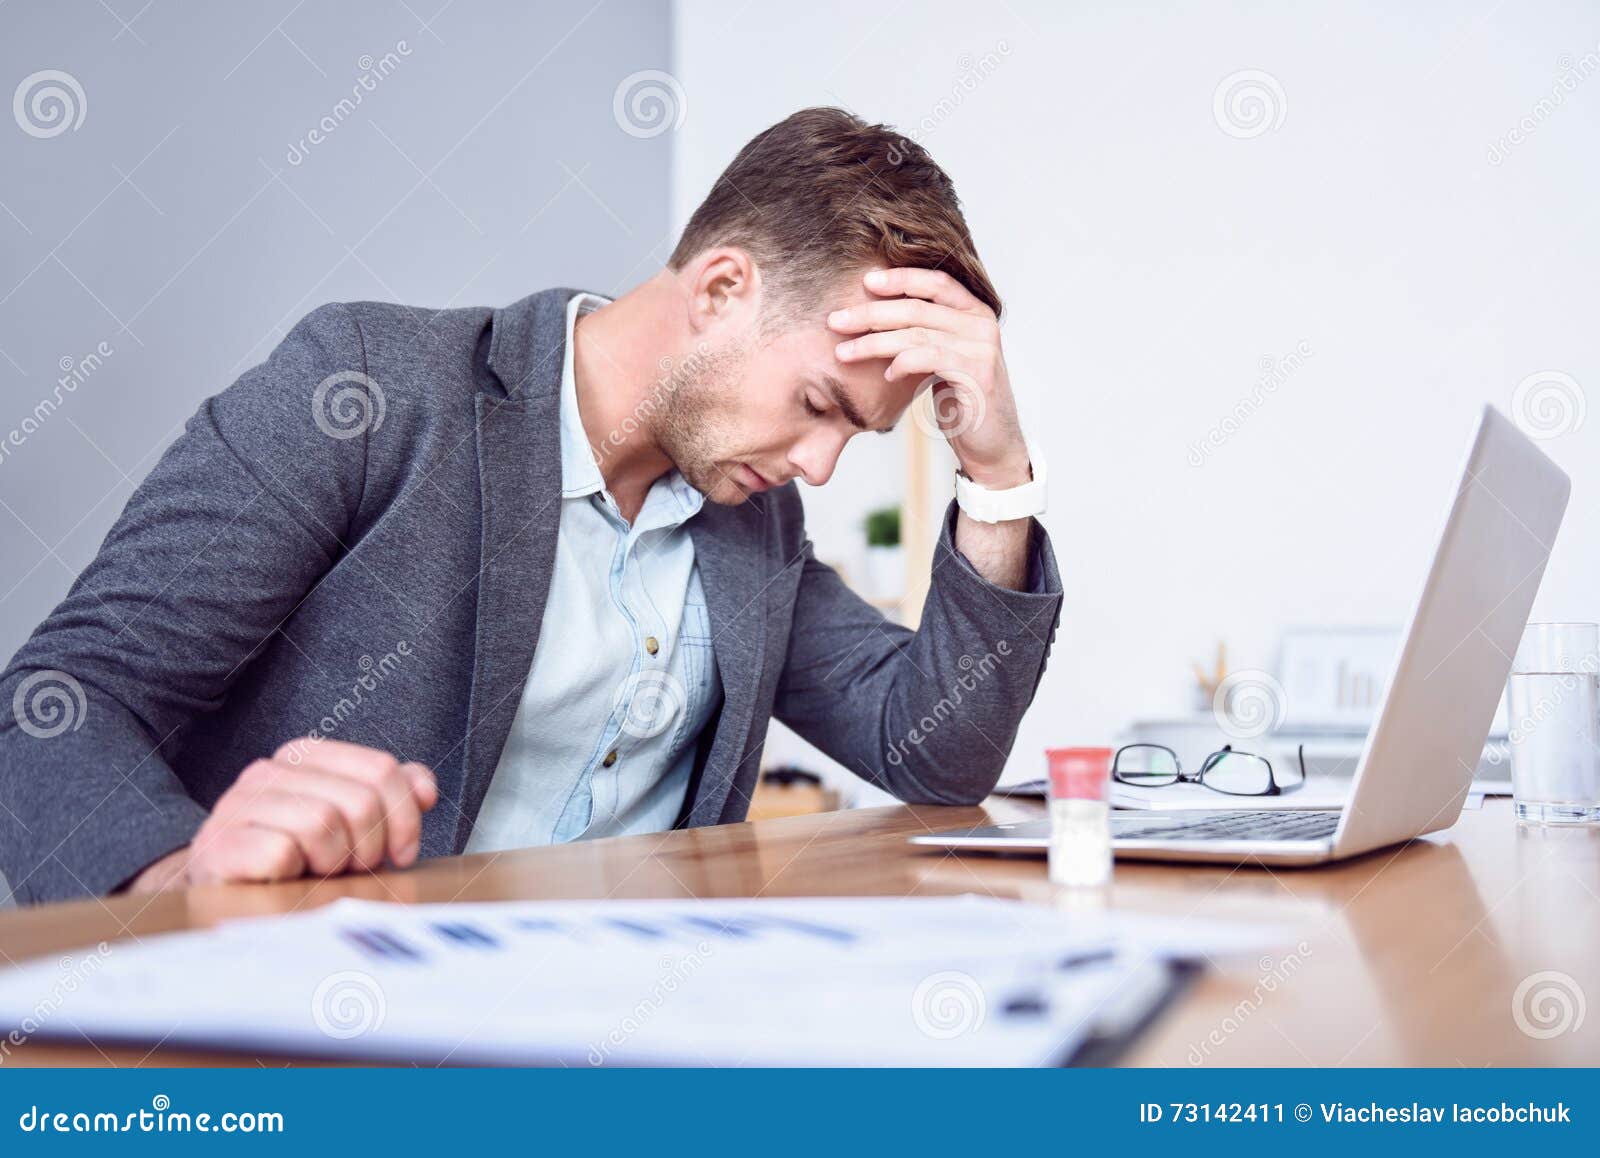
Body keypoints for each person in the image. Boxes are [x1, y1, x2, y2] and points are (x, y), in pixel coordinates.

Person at [0, 108, 1062, 905]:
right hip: (345, 1043)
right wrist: (177, 882)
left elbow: (931, 751)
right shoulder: (368, 392)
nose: (822, 468)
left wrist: (998, 469)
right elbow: (55, 703)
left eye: (854, 434)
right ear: (721, 289)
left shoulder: (752, 519)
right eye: (820, 405)